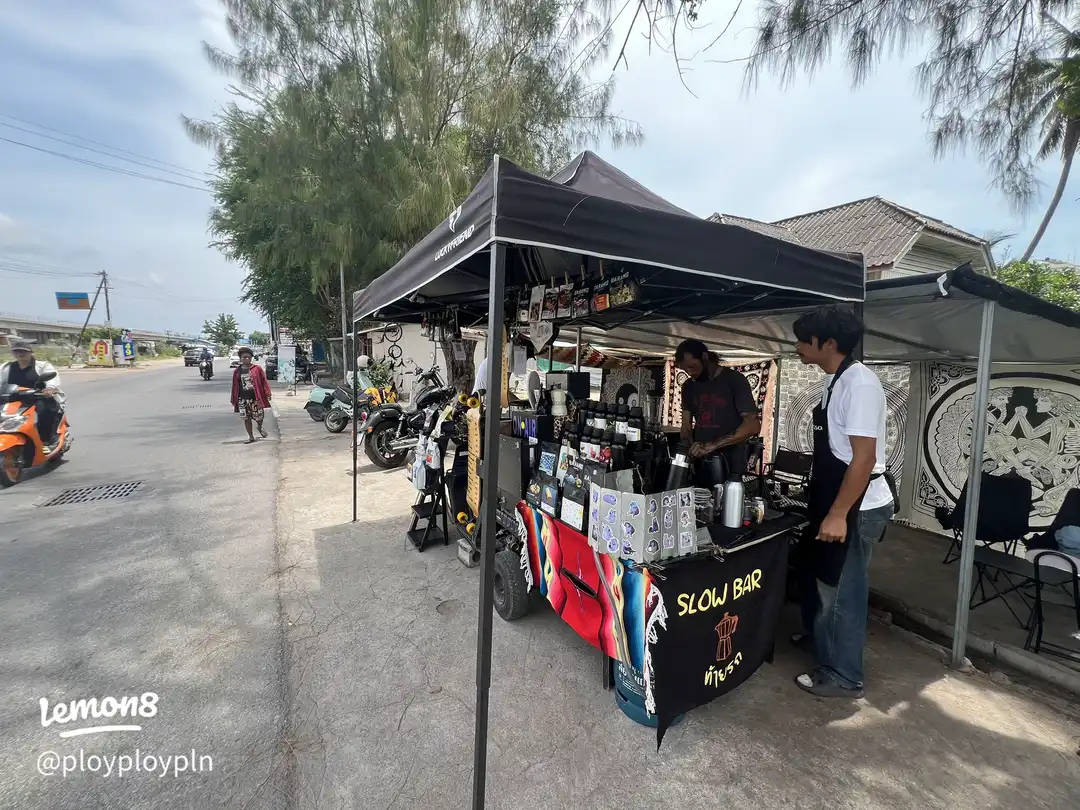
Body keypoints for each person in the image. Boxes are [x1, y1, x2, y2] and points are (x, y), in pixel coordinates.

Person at [791, 305, 894, 699]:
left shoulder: (861, 384)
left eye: (804, 340)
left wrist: (837, 514)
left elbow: (863, 458)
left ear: (828, 343)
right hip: (835, 495)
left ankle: (843, 674)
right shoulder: (835, 380)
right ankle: (822, 640)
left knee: (842, 590)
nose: (798, 347)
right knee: (818, 576)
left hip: (857, 505)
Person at [676, 339, 761, 488]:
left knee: (726, 506)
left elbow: (753, 425)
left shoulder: (735, 381)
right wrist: (689, 451)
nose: (690, 373)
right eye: (685, 370)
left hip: (730, 464)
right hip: (700, 462)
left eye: (692, 366)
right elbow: (686, 424)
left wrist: (711, 445)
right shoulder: (688, 386)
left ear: (704, 357)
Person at [0, 339, 65, 447]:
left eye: (23, 351)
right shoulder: (6, 367)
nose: (20, 354)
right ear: (12, 353)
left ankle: (46, 440)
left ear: (30, 352)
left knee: (46, 411)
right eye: (17, 351)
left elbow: (52, 378)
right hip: (13, 398)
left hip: (38, 397)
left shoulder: (42, 365)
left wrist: (50, 388)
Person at [231, 347, 272, 443]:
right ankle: (251, 437)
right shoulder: (237, 371)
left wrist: (268, 393)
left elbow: (264, 381)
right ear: (240, 358)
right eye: (244, 357)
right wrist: (234, 399)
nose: (247, 359)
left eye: (249, 357)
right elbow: (235, 386)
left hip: (255, 398)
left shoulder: (257, 369)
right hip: (243, 399)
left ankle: (259, 426)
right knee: (246, 418)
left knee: (259, 416)